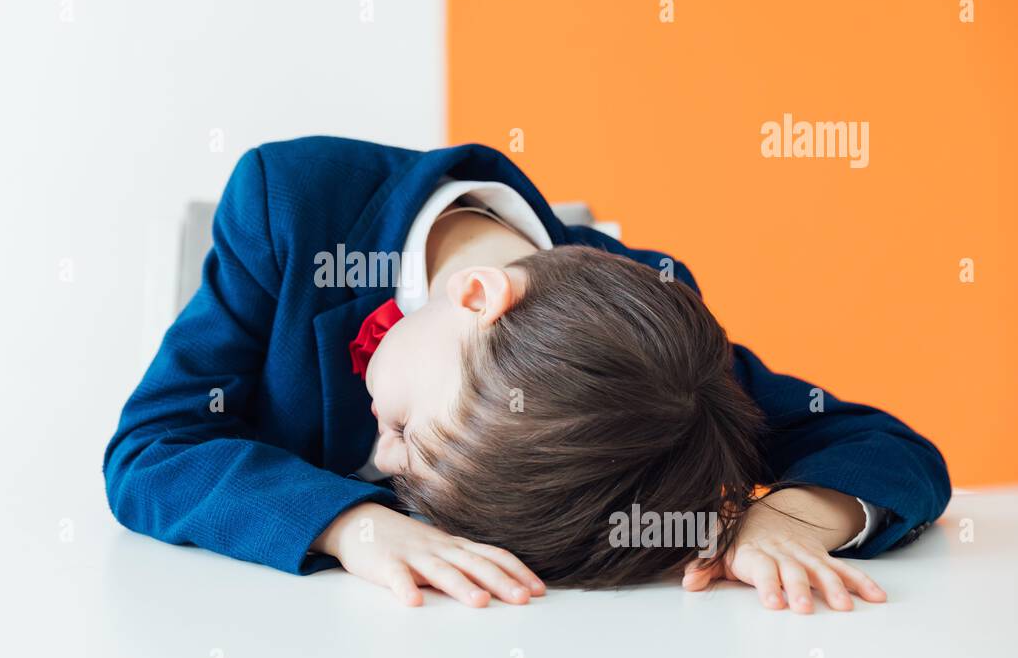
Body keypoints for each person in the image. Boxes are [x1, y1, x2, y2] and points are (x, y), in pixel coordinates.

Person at [103, 136, 950, 611]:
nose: (388, 461)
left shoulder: (649, 354)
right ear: (473, 295)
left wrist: (793, 522)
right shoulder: (290, 207)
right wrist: (350, 523)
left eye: (395, 440)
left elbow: (885, 448)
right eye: (408, 434)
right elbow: (154, 446)